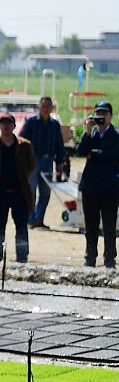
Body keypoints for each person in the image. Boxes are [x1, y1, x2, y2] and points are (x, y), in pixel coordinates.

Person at [0, 114, 35, 263]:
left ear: (14, 125)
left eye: (9, 123)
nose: (6, 126)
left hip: (20, 193)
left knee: (21, 227)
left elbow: (31, 165)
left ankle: (22, 257)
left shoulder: (25, 145)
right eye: (3, 123)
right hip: (0, 193)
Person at [77, 102, 119, 268]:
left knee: (109, 226)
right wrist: (87, 131)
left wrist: (95, 154)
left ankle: (110, 258)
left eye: (104, 114)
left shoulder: (116, 136)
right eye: (98, 114)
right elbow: (80, 151)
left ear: (110, 116)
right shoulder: (91, 135)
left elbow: (114, 155)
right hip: (91, 187)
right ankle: (90, 256)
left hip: (110, 188)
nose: (101, 118)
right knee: (91, 225)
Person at [19, 96, 67, 228]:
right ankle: (30, 218)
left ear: (52, 108)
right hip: (33, 161)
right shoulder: (31, 122)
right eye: (43, 106)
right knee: (31, 190)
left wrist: (59, 162)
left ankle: (39, 219)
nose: (45, 109)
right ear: (39, 107)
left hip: (48, 161)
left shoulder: (54, 125)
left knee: (45, 192)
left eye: (48, 106)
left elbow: (59, 145)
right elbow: (21, 140)